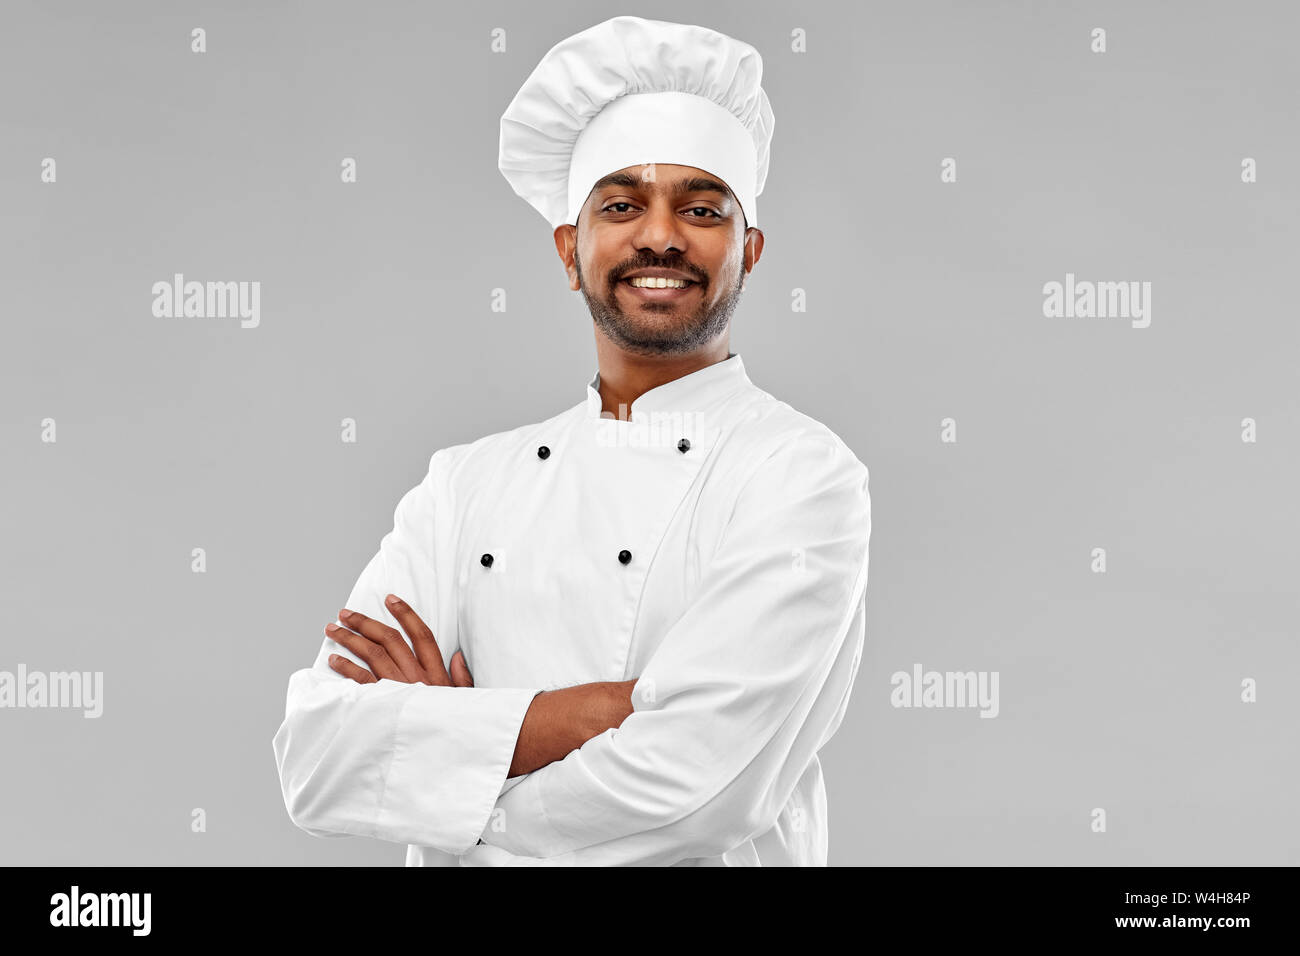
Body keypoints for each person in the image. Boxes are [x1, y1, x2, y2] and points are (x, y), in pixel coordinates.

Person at [272, 15, 871, 866]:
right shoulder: (465, 485)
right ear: (569, 249)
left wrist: (454, 773)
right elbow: (319, 755)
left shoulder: (801, 476)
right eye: (621, 205)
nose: (660, 236)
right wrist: (610, 709)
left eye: (702, 208)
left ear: (751, 250)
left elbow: (697, 791)